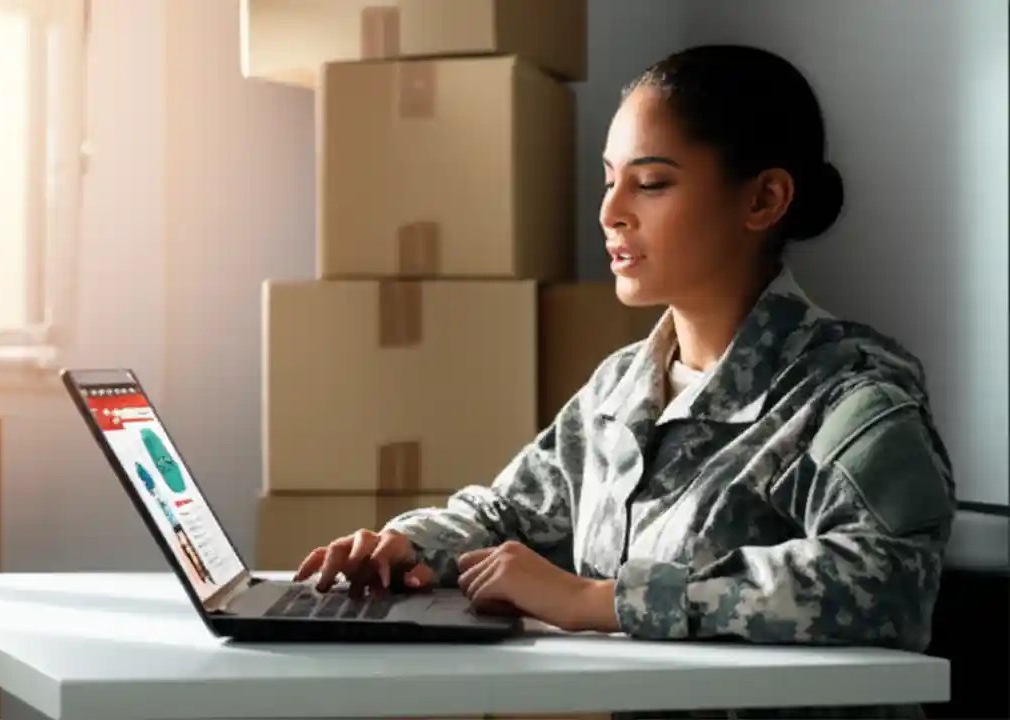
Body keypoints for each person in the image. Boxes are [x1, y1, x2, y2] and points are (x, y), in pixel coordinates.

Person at [295, 45, 956, 719]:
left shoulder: (848, 391)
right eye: (609, 180)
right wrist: (407, 546)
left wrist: (597, 601)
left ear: (764, 199)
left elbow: (888, 582)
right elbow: (510, 516)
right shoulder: (622, 387)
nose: (611, 211)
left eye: (651, 183)